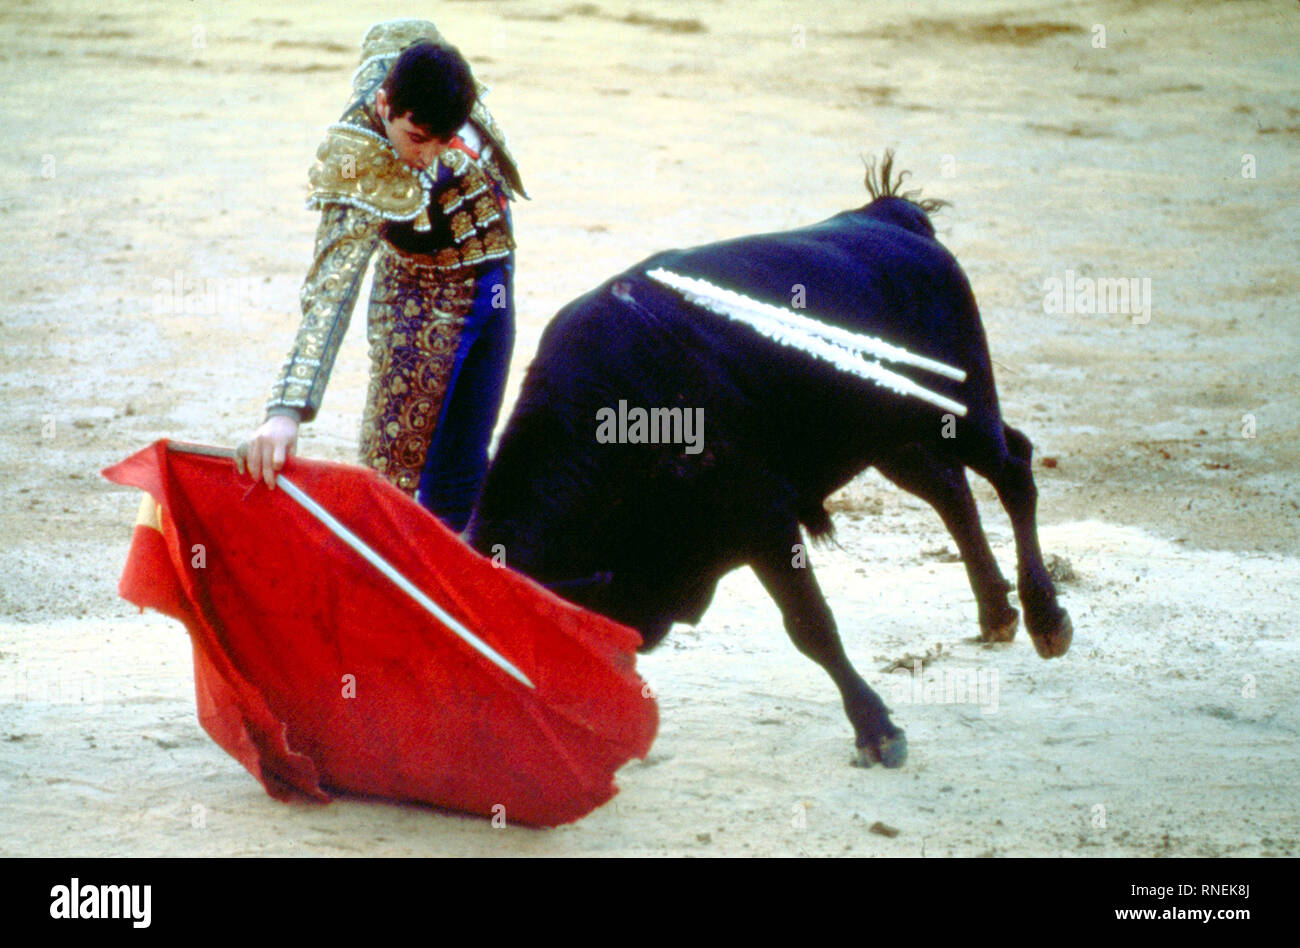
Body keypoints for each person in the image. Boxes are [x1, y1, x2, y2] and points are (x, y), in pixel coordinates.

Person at [236, 18, 525, 532]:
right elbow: (330, 290)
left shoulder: (422, 64)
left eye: (445, 139)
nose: (429, 154)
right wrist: (286, 410)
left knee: (466, 466)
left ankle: (452, 600)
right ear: (386, 106)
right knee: (392, 490)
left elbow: (391, 32)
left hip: (496, 279)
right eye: (417, 138)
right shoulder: (358, 163)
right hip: (422, 303)